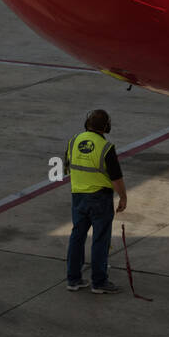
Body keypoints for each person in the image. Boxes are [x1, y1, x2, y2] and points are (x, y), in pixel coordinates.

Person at [63, 109, 127, 293]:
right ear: (106, 127)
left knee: (77, 237)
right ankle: (99, 282)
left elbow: (68, 166)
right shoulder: (106, 147)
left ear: (87, 123)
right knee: (100, 239)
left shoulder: (73, 141)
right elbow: (116, 177)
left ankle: (73, 279)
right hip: (100, 198)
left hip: (78, 196)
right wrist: (123, 196)